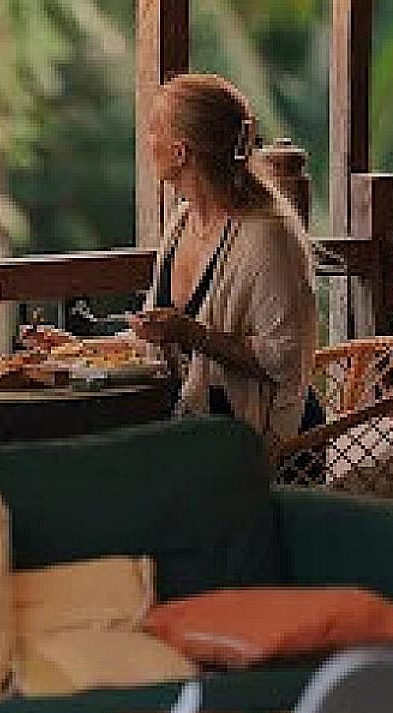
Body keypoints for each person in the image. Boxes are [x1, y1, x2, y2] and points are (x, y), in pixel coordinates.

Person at [132, 74, 319, 447]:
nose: (146, 141)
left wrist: (194, 335)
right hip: (197, 432)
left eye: (153, 131)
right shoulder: (181, 221)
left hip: (271, 444)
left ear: (180, 152)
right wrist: (71, 348)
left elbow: (284, 359)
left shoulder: (267, 235)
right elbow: (160, 334)